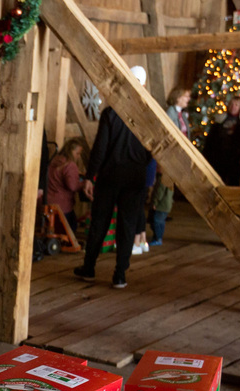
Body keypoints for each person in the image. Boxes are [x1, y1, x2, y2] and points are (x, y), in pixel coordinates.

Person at [74, 65, 153, 289]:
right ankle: (120, 275)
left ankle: (89, 268)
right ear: (144, 86)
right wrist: (139, 166)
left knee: (99, 222)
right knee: (127, 225)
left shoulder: (111, 113)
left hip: (110, 177)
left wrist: (90, 176)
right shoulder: (149, 117)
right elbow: (152, 151)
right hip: (134, 178)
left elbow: (100, 148)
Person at [46, 137, 90, 234]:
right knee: (72, 227)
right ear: (71, 151)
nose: (78, 157)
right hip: (62, 206)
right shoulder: (69, 165)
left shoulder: (54, 160)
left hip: (48, 201)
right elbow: (72, 186)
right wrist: (85, 184)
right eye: (77, 153)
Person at [205, 96, 240, 186]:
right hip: (219, 154)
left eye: (236, 105)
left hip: (235, 155)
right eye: (231, 104)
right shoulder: (220, 119)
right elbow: (211, 138)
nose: (233, 107)